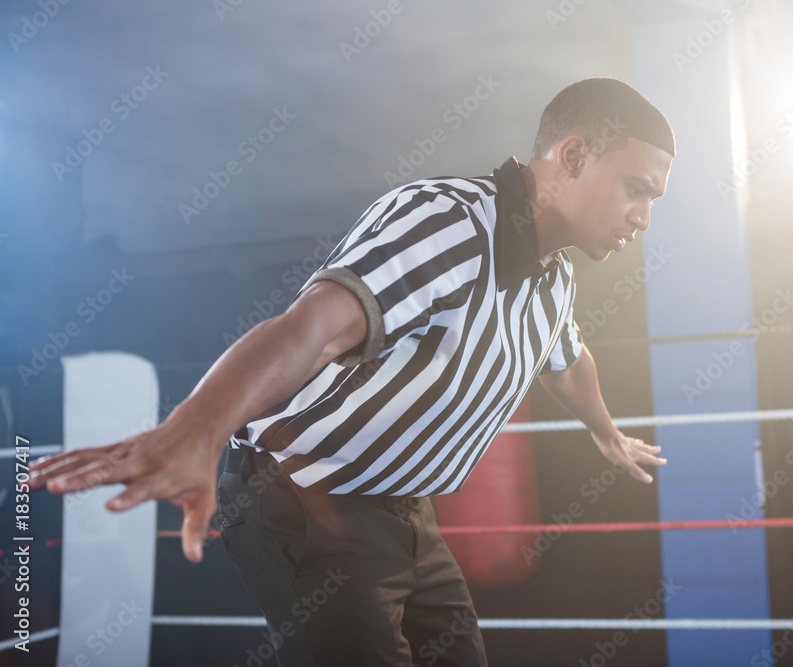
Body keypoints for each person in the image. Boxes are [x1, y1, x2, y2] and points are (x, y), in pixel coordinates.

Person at [29, 76, 675, 666]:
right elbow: (311, 329)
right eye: (637, 188)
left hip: (405, 513)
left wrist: (605, 431)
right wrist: (200, 424)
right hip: (304, 495)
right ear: (573, 157)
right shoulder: (443, 224)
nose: (645, 216)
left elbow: (566, 361)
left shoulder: (553, 278)